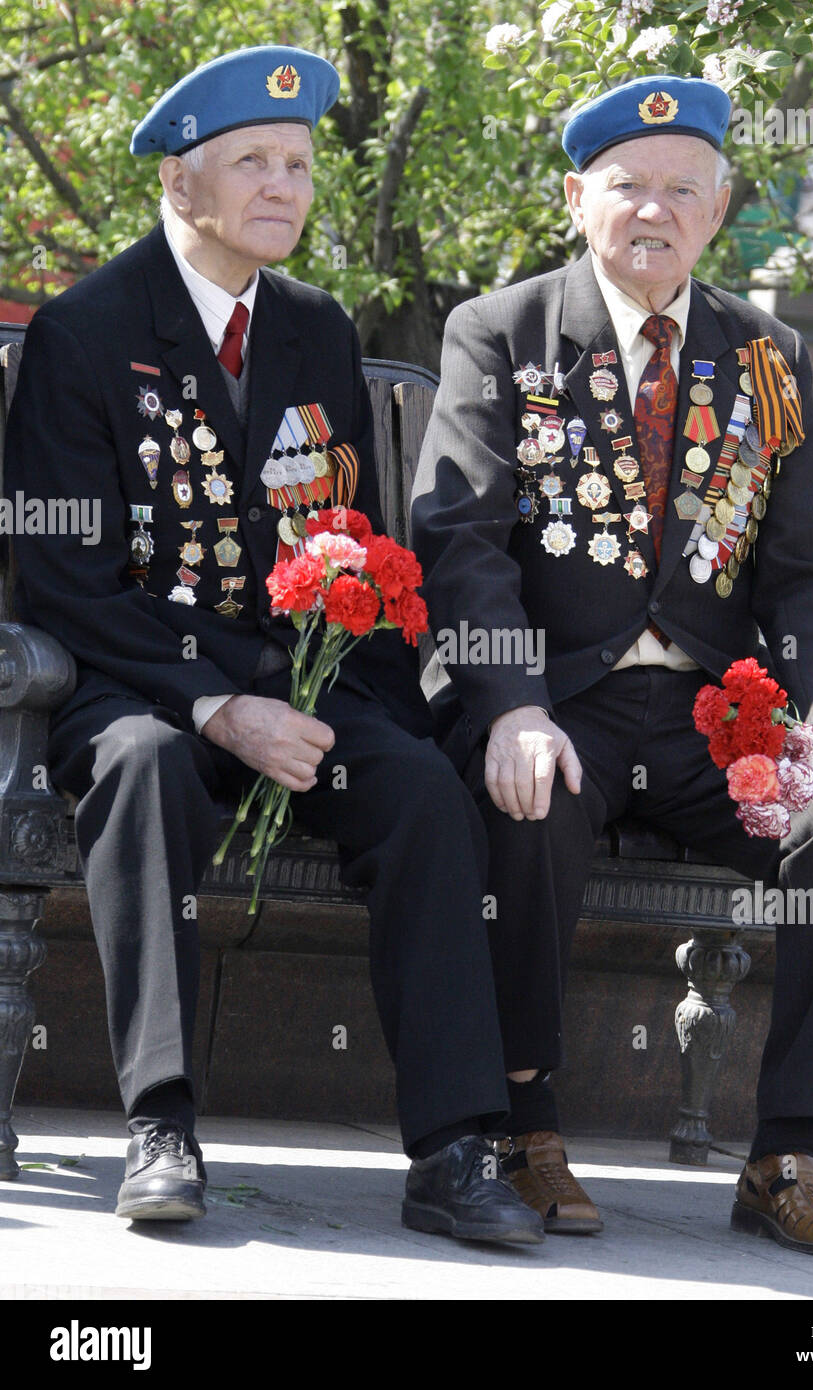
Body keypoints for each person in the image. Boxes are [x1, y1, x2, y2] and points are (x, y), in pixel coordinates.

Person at [6, 45, 544, 1245]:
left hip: (303, 689)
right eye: (253, 162)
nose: (284, 188)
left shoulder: (313, 329)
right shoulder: (87, 331)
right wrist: (221, 699)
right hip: (143, 687)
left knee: (414, 790)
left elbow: (342, 536)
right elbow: (65, 580)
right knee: (141, 771)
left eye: (298, 166)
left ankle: (455, 1148)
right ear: (180, 182)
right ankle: (162, 1123)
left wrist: (356, 695)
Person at [411, 74, 813, 1255]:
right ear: (578, 196)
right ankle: (526, 1129)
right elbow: (462, 544)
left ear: (720, 208)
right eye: (628, 185)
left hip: (707, 727)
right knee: (525, 797)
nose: (655, 209)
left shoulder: (766, 355)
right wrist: (512, 709)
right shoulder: (502, 331)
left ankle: (784, 1151)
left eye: (684, 188)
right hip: (558, 701)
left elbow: (805, 574)